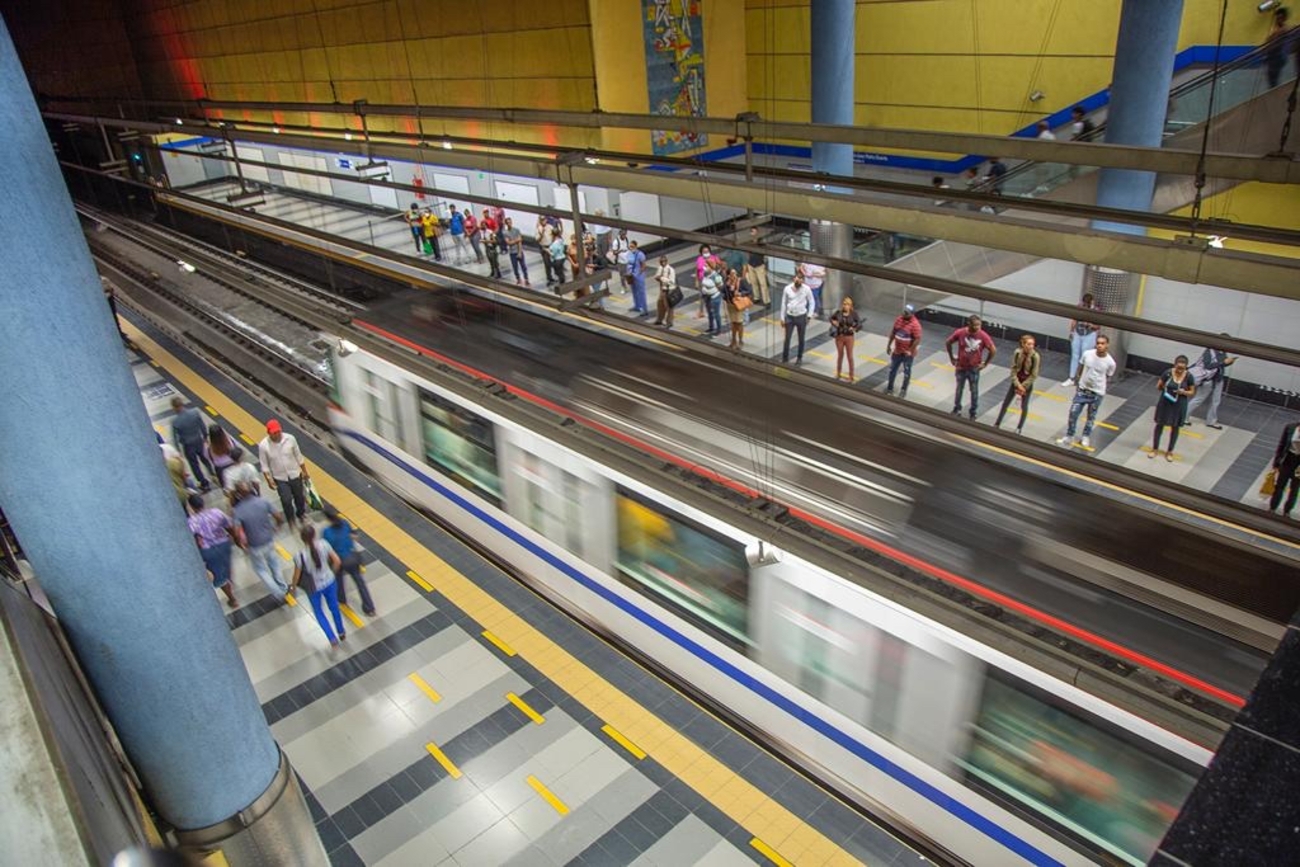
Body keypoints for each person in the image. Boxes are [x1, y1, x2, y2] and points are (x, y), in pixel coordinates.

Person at [231, 481, 288, 603]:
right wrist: (276, 528)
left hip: (254, 545)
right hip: (268, 539)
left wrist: (240, 545)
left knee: (261, 569)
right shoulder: (263, 501)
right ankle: (283, 586)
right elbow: (279, 518)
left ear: (238, 494)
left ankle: (278, 594)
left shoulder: (237, 510)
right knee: (274, 563)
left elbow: (236, 533)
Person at [1057, 334, 1116, 450]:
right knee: (1073, 413)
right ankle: (1070, 435)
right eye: (1098, 343)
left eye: (1102, 343)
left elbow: (1108, 376)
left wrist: (1100, 388)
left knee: (1091, 417)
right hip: (1083, 389)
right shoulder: (1087, 354)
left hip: (1097, 393)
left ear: (1107, 345)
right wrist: (1078, 381)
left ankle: (1086, 436)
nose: (1099, 345)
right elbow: (1080, 366)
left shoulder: (1110, 362)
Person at [291, 525, 345, 647]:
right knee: (334, 607)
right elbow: (337, 561)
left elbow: (296, 576)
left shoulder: (300, 556)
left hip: (314, 588)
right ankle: (341, 632)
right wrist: (332, 573)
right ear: (314, 534)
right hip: (330, 581)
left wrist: (293, 587)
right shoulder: (324, 544)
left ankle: (332, 639)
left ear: (302, 539)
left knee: (319, 612)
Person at [322, 506, 375, 616]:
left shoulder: (327, 532)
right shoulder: (345, 523)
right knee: (360, 583)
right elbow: (354, 535)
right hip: (352, 558)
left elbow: (327, 550)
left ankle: (341, 599)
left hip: (339, 560)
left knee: (338, 579)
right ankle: (369, 608)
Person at [187, 493, 238, 608]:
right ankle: (230, 580)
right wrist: (235, 538)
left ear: (192, 507)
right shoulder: (216, 512)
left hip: (208, 551)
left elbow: (193, 539)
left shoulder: (191, 522)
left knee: (218, 574)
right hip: (224, 544)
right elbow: (229, 526)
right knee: (226, 564)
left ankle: (232, 599)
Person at [945, 315, 997, 419]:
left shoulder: (983, 335)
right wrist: (951, 357)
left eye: (979, 325)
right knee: (959, 389)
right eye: (975, 325)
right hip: (961, 366)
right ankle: (957, 408)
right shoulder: (960, 332)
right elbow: (948, 342)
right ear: (969, 324)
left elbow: (993, 350)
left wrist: (985, 363)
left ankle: (973, 411)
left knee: (974, 391)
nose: (978, 327)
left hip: (974, 368)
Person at [258, 419, 308, 526]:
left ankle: (301, 514)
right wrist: (269, 480)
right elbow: (264, 465)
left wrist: (304, 471)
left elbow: (298, 456)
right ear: (269, 433)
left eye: (278, 431)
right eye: (274, 433)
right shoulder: (264, 446)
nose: (277, 434)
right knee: (286, 500)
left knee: (299, 496)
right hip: (280, 478)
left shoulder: (290, 439)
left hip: (295, 473)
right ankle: (291, 519)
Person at [1151, 355, 1196, 462]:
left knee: (1175, 427)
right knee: (1159, 424)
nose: (1180, 370)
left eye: (1183, 368)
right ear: (1174, 365)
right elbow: (1158, 386)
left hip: (1179, 404)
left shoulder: (1189, 376)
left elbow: (1192, 391)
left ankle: (1170, 451)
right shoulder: (1167, 373)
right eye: (1178, 368)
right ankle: (1155, 449)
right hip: (1165, 402)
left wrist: (1183, 392)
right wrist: (1166, 388)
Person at [994, 335, 1040, 433]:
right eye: (1028, 344)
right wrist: (1017, 384)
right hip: (1016, 382)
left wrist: (1023, 386)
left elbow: (1034, 374)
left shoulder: (1035, 356)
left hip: (1026, 384)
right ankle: (997, 423)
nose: (1031, 346)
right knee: (1006, 403)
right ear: (1023, 344)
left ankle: (1019, 427)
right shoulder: (1017, 353)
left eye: (1032, 344)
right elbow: (1013, 369)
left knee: (1024, 406)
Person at [1185, 341, 1236, 429]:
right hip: (1207, 379)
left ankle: (1211, 421)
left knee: (1216, 401)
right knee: (1198, 399)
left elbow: (1221, 365)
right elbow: (1208, 365)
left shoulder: (1222, 352)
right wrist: (1224, 362)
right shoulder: (1209, 351)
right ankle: (1184, 417)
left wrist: (1228, 362)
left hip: (1218, 379)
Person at [171, 397, 213, 492]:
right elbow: (202, 426)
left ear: (175, 407)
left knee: (194, 465)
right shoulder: (195, 413)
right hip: (199, 440)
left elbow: (175, 438)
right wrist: (205, 437)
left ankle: (204, 483)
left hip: (188, 446)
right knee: (205, 459)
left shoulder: (175, 422)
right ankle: (212, 474)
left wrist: (178, 451)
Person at [1062, 293, 1103, 387]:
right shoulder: (1080, 306)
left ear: (1092, 302)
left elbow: (1098, 326)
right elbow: (1074, 320)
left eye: (1087, 304)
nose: (1086, 305)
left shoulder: (1096, 310)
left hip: (1090, 334)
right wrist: (1072, 332)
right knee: (1075, 355)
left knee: (1086, 357)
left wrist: (1090, 325)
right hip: (1078, 332)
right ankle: (1072, 378)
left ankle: (1082, 379)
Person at [885, 304, 922, 397]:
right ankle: (889, 388)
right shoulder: (899, 319)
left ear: (912, 314)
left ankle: (903, 389)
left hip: (907, 355)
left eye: (907, 313)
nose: (904, 314)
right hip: (897, 351)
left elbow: (917, 339)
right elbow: (893, 332)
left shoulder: (915, 325)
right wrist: (889, 345)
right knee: (892, 370)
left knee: (907, 372)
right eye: (904, 312)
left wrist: (910, 350)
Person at [780, 272, 814, 364]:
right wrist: (782, 318)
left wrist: (809, 316)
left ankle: (799, 358)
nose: (798, 280)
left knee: (801, 339)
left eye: (801, 279)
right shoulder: (787, 289)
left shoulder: (807, 289)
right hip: (790, 317)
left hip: (801, 317)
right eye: (797, 278)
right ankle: (785, 358)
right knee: (787, 338)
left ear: (803, 281)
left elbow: (811, 302)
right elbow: (783, 303)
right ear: (794, 279)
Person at [1269, 418, 1300, 517]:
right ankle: (1272, 507)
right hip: (1287, 460)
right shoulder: (1290, 427)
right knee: (1280, 485)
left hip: (1299, 464)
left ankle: (1287, 511)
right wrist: (1276, 462)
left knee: (1294, 489)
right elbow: (1282, 445)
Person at [829, 297, 862, 381]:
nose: (845, 306)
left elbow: (859, 324)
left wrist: (854, 328)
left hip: (849, 337)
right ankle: (838, 373)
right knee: (840, 356)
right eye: (844, 304)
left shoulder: (853, 314)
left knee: (850, 356)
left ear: (850, 306)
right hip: (839, 336)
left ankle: (851, 376)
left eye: (847, 304)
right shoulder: (838, 313)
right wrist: (834, 322)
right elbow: (831, 318)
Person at [721, 268, 752, 351]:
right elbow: (723, 292)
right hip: (730, 305)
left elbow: (749, 290)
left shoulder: (741, 281)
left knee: (739, 323)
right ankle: (734, 340)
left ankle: (740, 341)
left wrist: (740, 293)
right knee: (733, 323)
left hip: (738, 305)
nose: (734, 275)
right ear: (729, 275)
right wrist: (727, 286)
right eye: (732, 274)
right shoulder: (727, 282)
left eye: (735, 273)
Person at [1266, 7, 1293, 89]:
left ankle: (1273, 91)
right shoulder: (1277, 28)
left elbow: (1272, 40)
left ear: (1284, 18)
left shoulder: (1284, 29)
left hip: (1278, 57)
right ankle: (1273, 89)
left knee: (1273, 78)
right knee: (1271, 77)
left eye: (1280, 18)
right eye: (1277, 18)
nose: (1278, 20)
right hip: (1273, 56)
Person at [207, 423, 240, 489]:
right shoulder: (230, 441)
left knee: (228, 489)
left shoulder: (210, 448)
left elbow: (208, 457)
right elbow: (237, 447)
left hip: (221, 471)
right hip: (234, 465)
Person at [744, 227, 769, 306]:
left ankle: (766, 300)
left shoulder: (761, 242)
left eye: (754, 232)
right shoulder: (749, 242)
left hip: (759, 265)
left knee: (763, 283)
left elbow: (765, 251)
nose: (753, 234)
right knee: (754, 282)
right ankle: (756, 297)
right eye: (752, 232)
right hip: (751, 264)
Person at [699, 260, 723, 336]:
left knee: (716, 314)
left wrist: (713, 290)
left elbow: (720, 287)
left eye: (706, 266)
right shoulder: (705, 274)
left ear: (711, 267)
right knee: (710, 313)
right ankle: (711, 327)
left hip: (715, 297)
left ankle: (719, 330)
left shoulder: (716, 276)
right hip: (707, 297)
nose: (705, 267)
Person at [503, 217, 529, 286]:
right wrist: (516, 240)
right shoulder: (505, 232)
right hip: (512, 252)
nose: (509, 224)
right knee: (515, 267)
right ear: (506, 224)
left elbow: (520, 241)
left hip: (518, 251)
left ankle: (526, 279)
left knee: (523, 266)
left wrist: (520, 252)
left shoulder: (516, 230)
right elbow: (508, 243)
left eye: (510, 222)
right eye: (507, 223)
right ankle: (518, 279)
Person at [654, 255, 677, 328]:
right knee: (660, 304)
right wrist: (657, 278)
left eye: (664, 261)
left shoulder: (671, 270)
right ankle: (659, 319)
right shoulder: (660, 268)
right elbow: (657, 275)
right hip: (662, 289)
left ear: (667, 261)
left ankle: (669, 322)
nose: (662, 263)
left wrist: (661, 278)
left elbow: (671, 282)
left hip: (668, 290)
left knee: (669, 307)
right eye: (661, 262)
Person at [537, 214, 556, 285]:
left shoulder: (550, 227)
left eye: (544, 219)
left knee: (554, 261)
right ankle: (549, 278)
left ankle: (556, 275)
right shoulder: (539, 228)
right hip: (544, 247)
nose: (543, 221)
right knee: (547, 263)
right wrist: (541, 234)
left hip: (551, 246)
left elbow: (554, 235)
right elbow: (537, 239)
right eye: (541, 220)